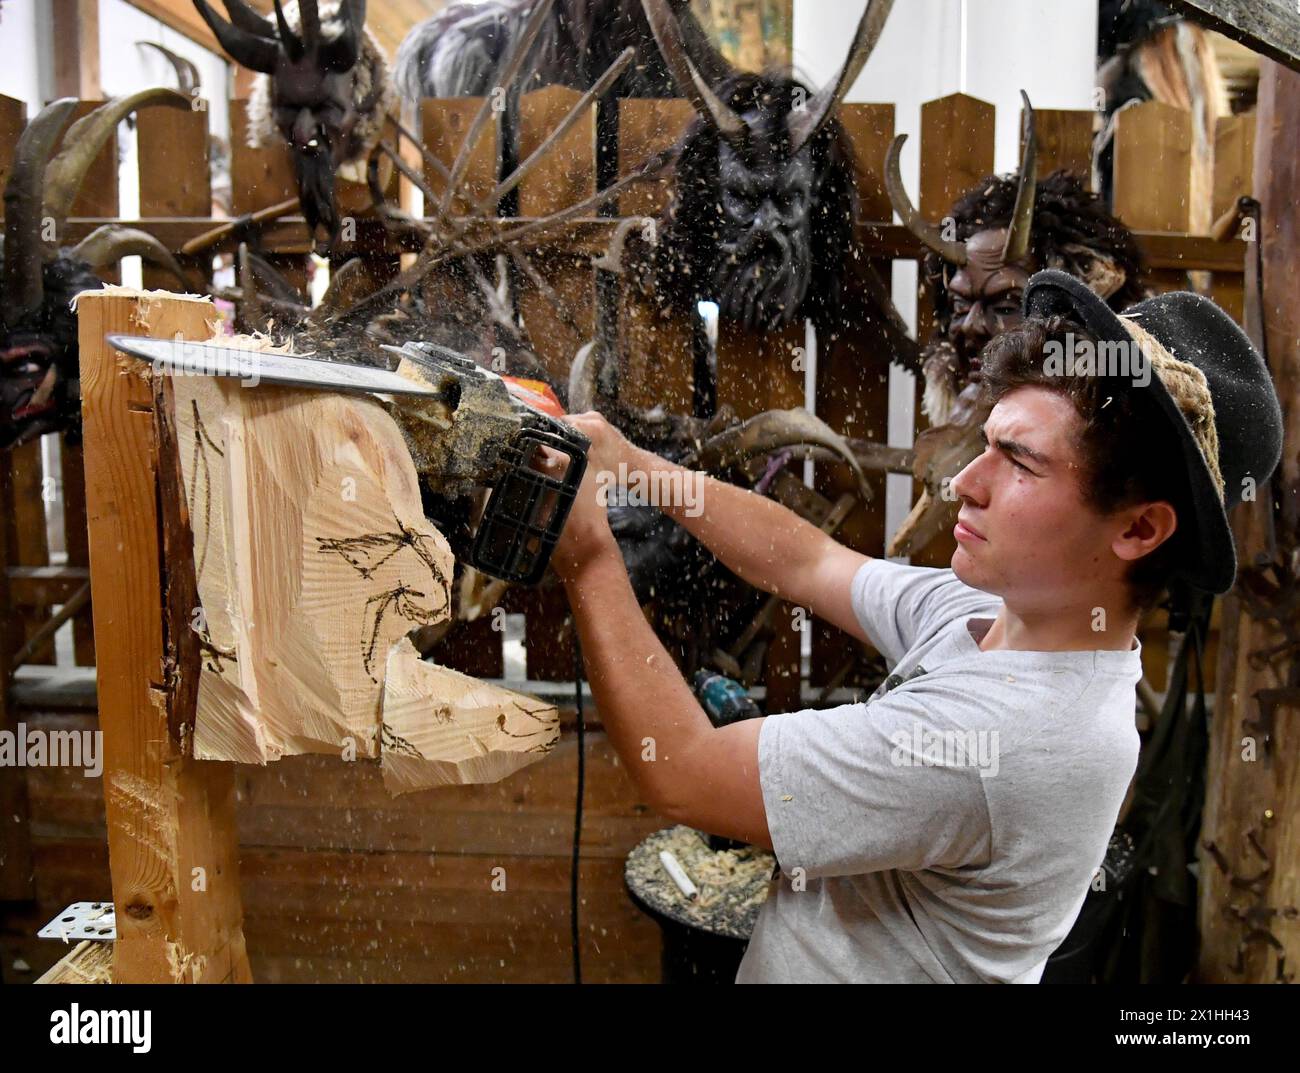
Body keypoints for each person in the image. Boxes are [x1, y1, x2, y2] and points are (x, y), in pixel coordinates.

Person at [546, 269, 1282, 983]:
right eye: (988, 443)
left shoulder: (1012, 739)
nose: (966, 480)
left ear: (1139, 528)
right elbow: (811, 562)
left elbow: (683, 769)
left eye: (1020, 463)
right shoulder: (993, 615)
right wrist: (638, 465)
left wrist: (586, 552)